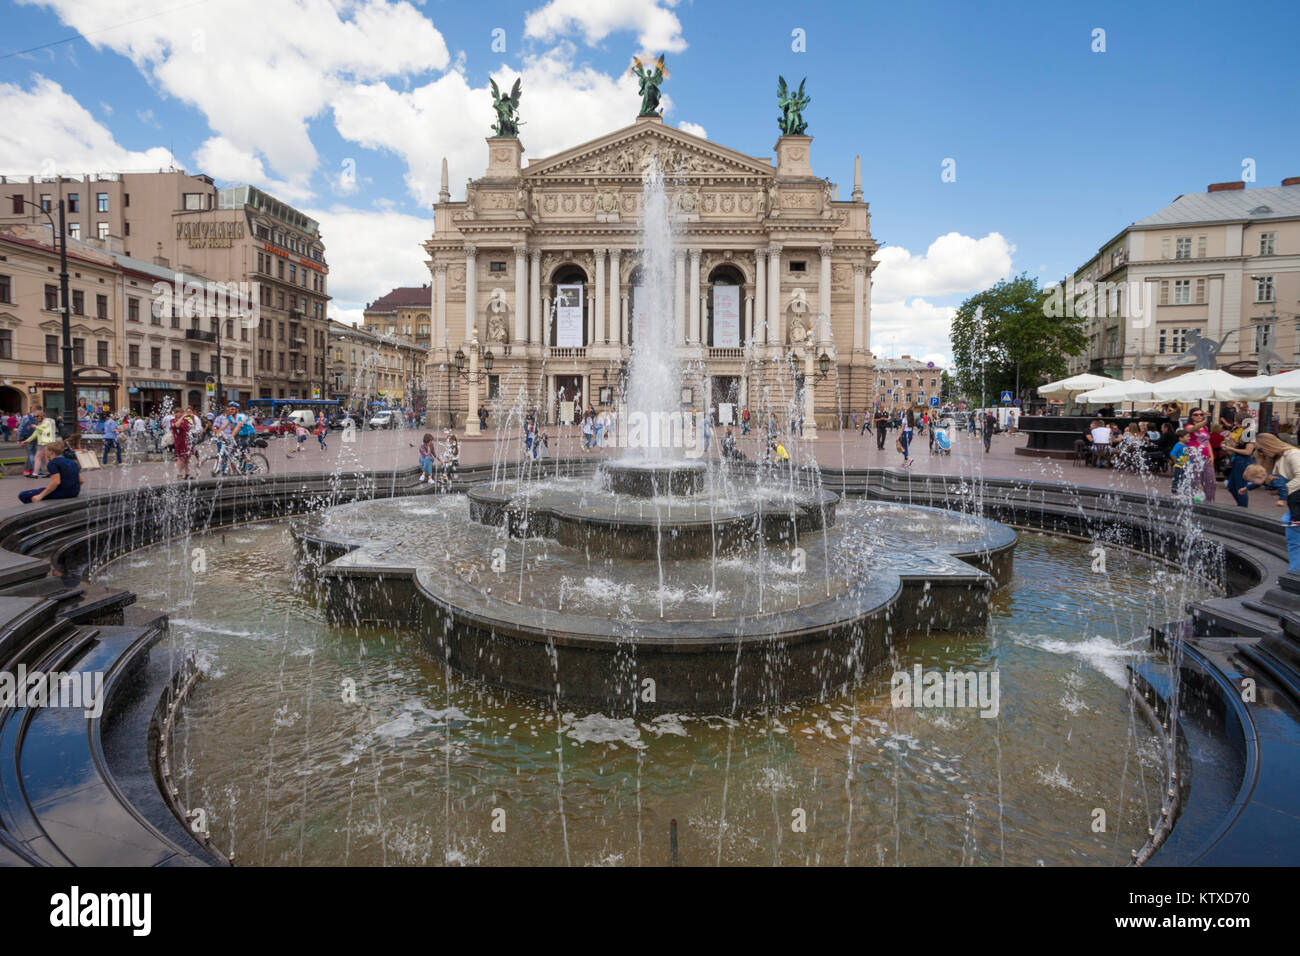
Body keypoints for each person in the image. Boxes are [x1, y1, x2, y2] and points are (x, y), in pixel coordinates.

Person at [1245, 434, 1300, 571]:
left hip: (1296, 499)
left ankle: (1295, 571)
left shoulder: (1292, 454)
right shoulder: (1278, 459)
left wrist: (1283, 491)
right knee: (1291, 532)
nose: (1260, 453)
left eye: (1260, 450)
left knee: (1292, 531)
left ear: (1268, 445)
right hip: (1295, 500)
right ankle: (1294, 571)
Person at [18, 440, 80, 504]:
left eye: (46, 450)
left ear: (51, 452)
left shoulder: (53, 463)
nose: (45, 452)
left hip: (62, 492)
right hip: (74, 492)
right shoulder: (72, 462)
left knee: (23, 495)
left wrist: (40, 496)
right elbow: (81, 480)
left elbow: (56, 482)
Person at [1223, 415, 1258, 507]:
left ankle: (1243, 508)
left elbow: (1248, 451)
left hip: (1243, 461)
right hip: (1238, 460)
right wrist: (1230, 440)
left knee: (1240, 487)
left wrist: (1232, 449)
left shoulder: (1249, 433)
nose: (1235, 423)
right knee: (1231, 486)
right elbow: (1237, 446)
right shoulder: (1244, 432)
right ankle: (1241, 505)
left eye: (1237, 421)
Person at [1183, 408, 1215, 502]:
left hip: (1205, 457)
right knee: (1195, 481)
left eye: (1201, 414)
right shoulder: (1188, 426)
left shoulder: (1205, 428)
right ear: (1191, 416)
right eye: (1196, 414)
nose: (1199, 416)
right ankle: (1194, 502)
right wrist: (1206, 420)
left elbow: (1207, 443)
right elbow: (1194, 428)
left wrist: (1211, 457)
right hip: (1194, 456)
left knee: (1210, 481)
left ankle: (1210, 502)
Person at [23, 410, 57, 477]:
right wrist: (26, 441)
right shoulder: (40, 423)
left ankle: (35, 474)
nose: (36, 418)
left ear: (42, 416)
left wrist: (36, 427)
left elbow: (46, 430)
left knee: (37, 458)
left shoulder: (47, 422)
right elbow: (35, 434)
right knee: (45, 459)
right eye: (34, 416)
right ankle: (52, 472)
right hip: (42, 443)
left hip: (46, 442)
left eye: (37, 416)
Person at [172, 406, 195, 480]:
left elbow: (193, 426)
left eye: (182, 412)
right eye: (179, 413)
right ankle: (179, 474)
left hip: (187, 441)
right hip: (179, 442)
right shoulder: (173, 420)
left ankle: (187, 474)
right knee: (180, 458)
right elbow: (177, 425)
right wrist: (182, 417)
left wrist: (192, 418)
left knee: (187, 458)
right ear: (176, 414)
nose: (181, 414)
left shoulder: (185, 420)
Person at [1170, 429, 1192, 496]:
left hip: (1185, 466)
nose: (1189, 438)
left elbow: (1186, 455)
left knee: (1185, 478)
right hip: (1179, 466)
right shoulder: (1178, 445)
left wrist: (1188, 463)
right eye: (1187, 436)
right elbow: (1172, 454)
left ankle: (1185, 491)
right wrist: (1176, 462)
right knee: (1177, 478)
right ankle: (1174, 491)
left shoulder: (1185, 445)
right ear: (1181, 438)